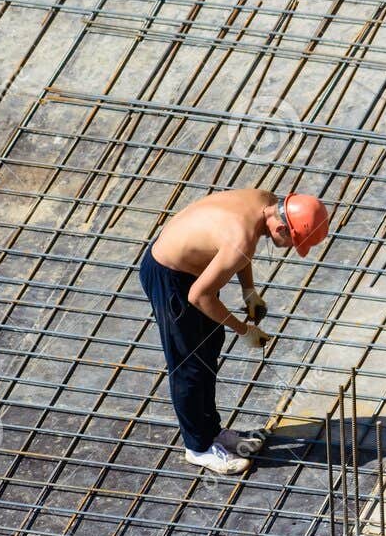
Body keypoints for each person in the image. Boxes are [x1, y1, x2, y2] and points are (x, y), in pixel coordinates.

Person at [140, 188, 330, 475]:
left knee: (211, 341)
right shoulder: (241, 236)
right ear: (281, 226)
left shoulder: (264, 202)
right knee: (190, 364)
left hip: (189, 270)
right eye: (292, 241)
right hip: (170, 279)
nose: (290, 247)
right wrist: (244, 330)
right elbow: (199, 296)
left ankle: (212, 431)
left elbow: (244, 251)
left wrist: (248, 291)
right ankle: (198, 448)